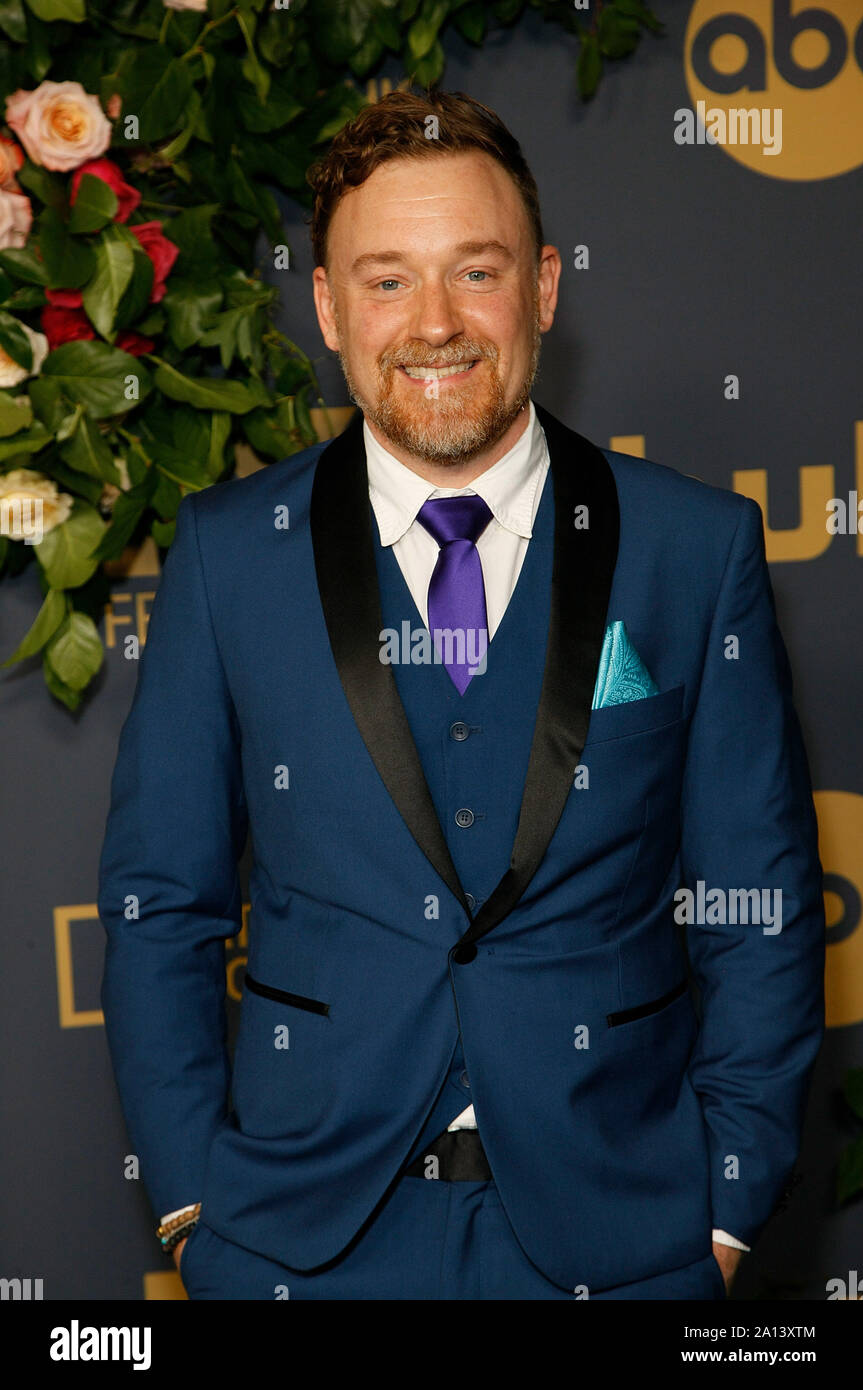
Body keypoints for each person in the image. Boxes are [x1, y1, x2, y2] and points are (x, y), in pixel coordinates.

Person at [98, 89, 825, 1301]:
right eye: (385, 281)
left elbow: (756, 906)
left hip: (626, 1244)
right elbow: (161, 903)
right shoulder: (231, 554)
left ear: (540, 288)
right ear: (329, 309)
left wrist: (726, 1211)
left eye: (472, 271)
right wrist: (189, 1205)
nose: (432, 324)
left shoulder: (692, 549)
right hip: (297, 1247)